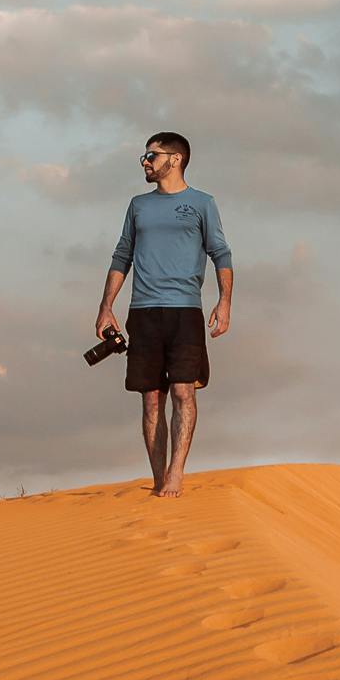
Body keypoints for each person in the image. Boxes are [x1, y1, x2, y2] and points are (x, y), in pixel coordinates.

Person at [96, 132, 232, 499]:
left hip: (186, 310)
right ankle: (158, 480)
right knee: (151, 396)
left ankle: (176, 474)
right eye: (144, 156)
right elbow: (121, 255)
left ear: (175, 159)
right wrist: (106, 307)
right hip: (143, 312)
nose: (145, 162)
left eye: (150, 155)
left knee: (184, 392)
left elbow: (221, 253)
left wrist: (224, 302)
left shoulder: (202, 203)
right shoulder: (138, 205)